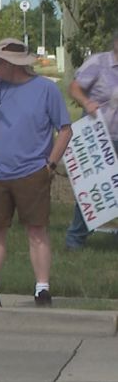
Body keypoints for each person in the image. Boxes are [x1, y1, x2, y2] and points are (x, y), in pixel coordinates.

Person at [0, 38, 72, 307]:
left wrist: (49, 164)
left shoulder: (46, 90)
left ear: (14, 64)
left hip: (33, 171)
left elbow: (65, 130)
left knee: (37, 230)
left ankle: (42, 289)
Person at [65, 28, 118, 250]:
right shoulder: (99, 62)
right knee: (95, 191)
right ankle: (75, 239)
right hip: (99, 137)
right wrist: (87, 103)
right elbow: (74, 88)